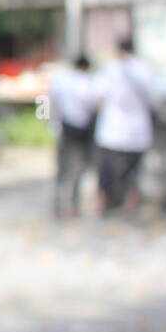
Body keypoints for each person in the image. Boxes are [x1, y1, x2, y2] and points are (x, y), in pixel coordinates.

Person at [93, 38, 156, 216]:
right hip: (138, 129)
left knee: (106, 170)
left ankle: (102, 203)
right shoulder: (144, 69)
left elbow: (97, 97)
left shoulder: (110, 69)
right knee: (133, 171)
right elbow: (154, 100)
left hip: (111, 129)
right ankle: (130, 204)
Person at [49, 55, 97, 218]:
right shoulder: (89, 83)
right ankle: (73, 203)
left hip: (64, 127)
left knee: (63, 167)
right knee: (79, 167)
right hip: (83, 130)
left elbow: (50, 102)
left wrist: (52, 123)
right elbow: (94, 106)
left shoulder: (61, 81)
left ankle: (58, 201)